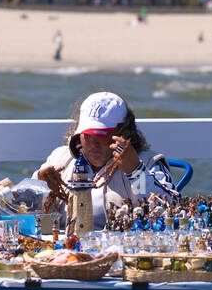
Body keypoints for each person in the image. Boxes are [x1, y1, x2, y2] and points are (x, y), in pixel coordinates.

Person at [37, 91, 140, 228]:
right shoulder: (60, 158)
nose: (93, 143)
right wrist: (40, 184)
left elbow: (167, 205)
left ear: (123, 133)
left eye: (101, 134)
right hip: (59, 244)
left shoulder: (146, 161)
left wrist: (137, 172)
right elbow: (24, 206)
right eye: (87, 134)